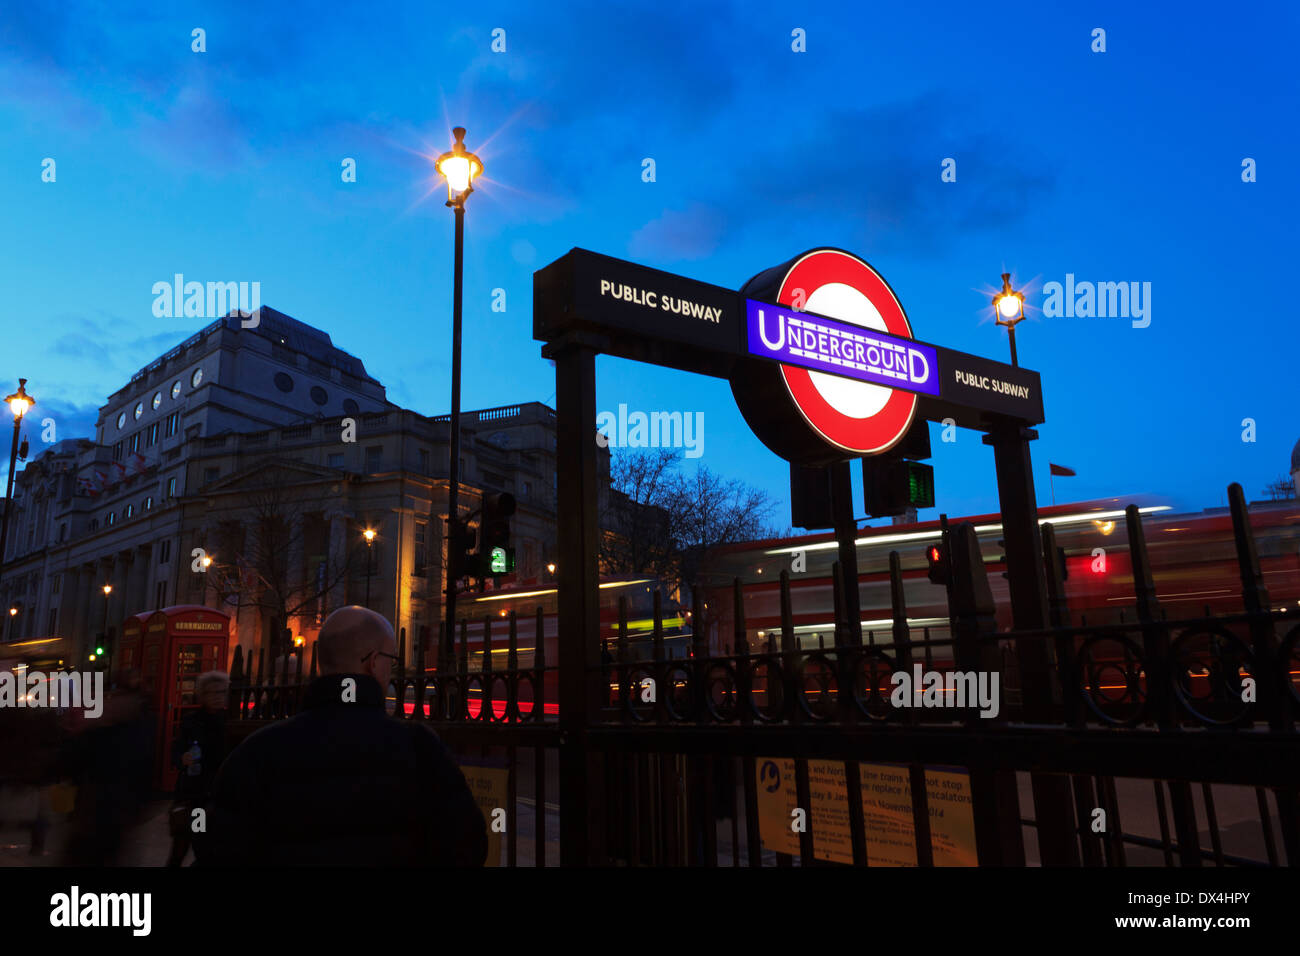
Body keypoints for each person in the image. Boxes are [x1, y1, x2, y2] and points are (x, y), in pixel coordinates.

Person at [195, 607, 486, 866]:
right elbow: (468, 847)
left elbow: (217, 849)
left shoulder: (257, 751)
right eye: (390, 659)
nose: (391, 669)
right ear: (373, 662)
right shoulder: (420, 748)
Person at [166, 670, 230, 866]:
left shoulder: (230, 721)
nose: (218, 697)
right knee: (189, 844)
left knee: (202, 846)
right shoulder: (192, 720)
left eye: (221, 692)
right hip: (196, 795)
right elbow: (177, 749)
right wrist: (181, 758)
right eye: (213, 693)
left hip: (219, 795)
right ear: (202, 695)